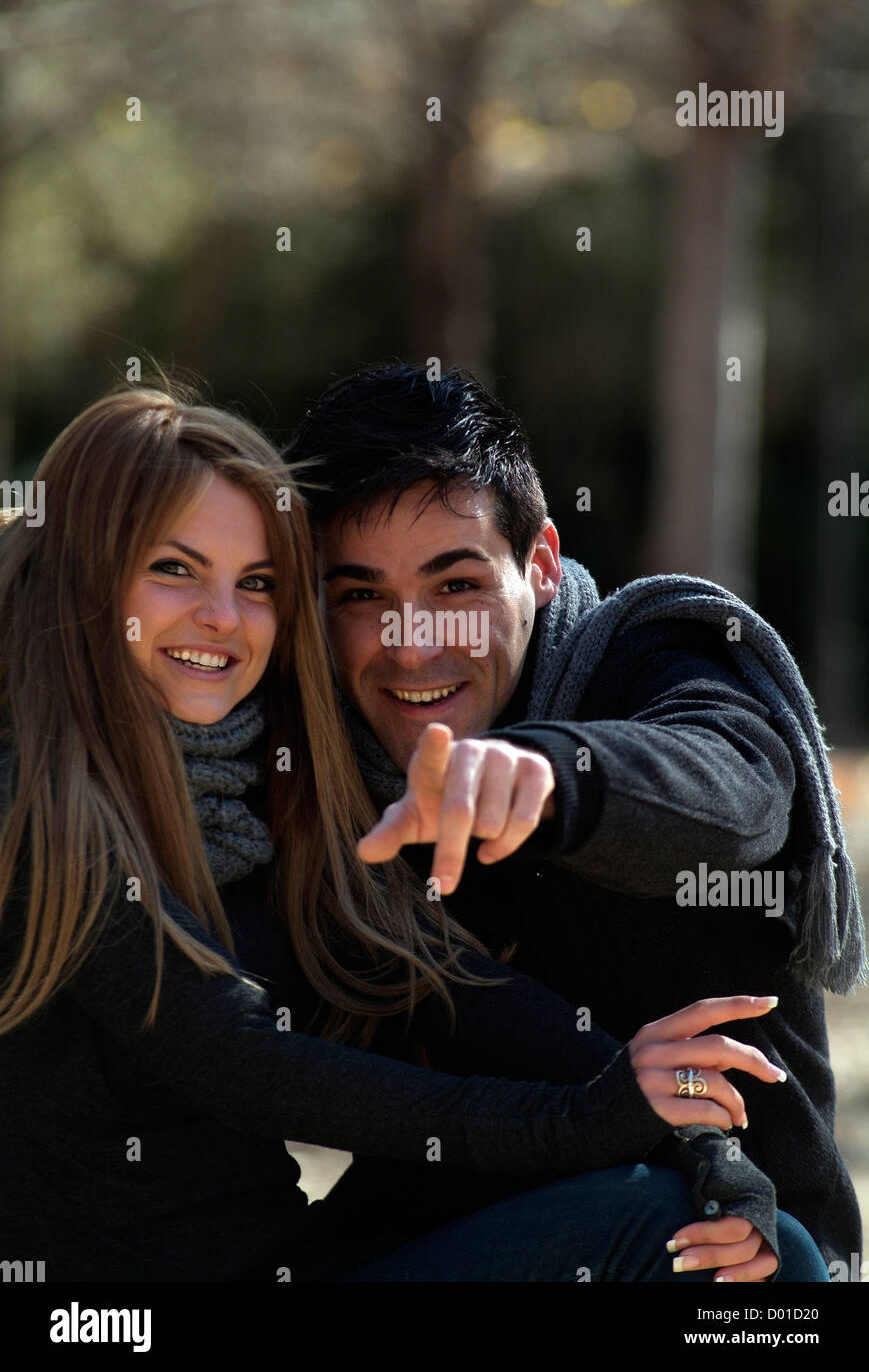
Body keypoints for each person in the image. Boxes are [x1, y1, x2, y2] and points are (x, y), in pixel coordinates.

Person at [0, 384, 827, 1283]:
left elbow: (436, 981)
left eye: (257, 584)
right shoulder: (38, 798)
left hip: (303, 1254)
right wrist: (586, 1121)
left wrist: (701, 1141)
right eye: (173, 568)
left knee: (759, 1259)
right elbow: (242, 1057)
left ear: (541, 563)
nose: (223, 617)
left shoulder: (257, 786)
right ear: (85, 575)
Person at [286, 362, 867, 1278]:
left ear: (543, 565)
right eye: (360, 596)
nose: (412, 644)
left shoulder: (650, 656)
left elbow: (742, 791)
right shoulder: (308, 773)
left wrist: (549, 777)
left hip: (741, 1247)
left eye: (456, 586)